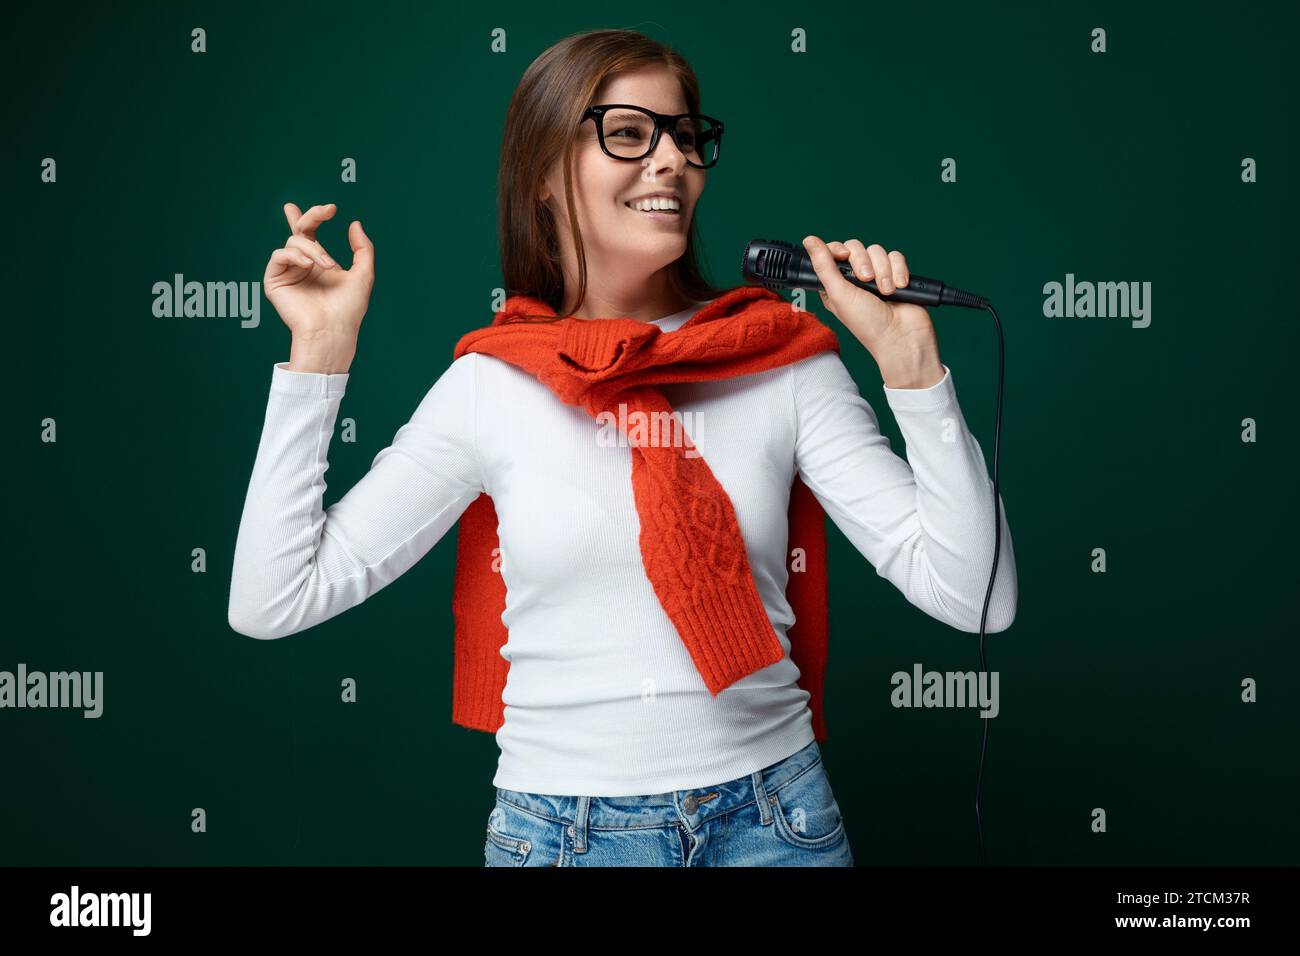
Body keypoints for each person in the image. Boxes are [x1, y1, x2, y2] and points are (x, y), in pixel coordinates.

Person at [228, 28, 1018, 867]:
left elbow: (978, 599)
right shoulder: (494, 385)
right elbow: (274, 600)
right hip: (564, 837)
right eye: (630, 134)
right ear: (542, 175)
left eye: (685, 136)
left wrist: (913, 371)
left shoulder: (777, 357)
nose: (672, 160)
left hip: (776, 826)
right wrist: (318, 355)